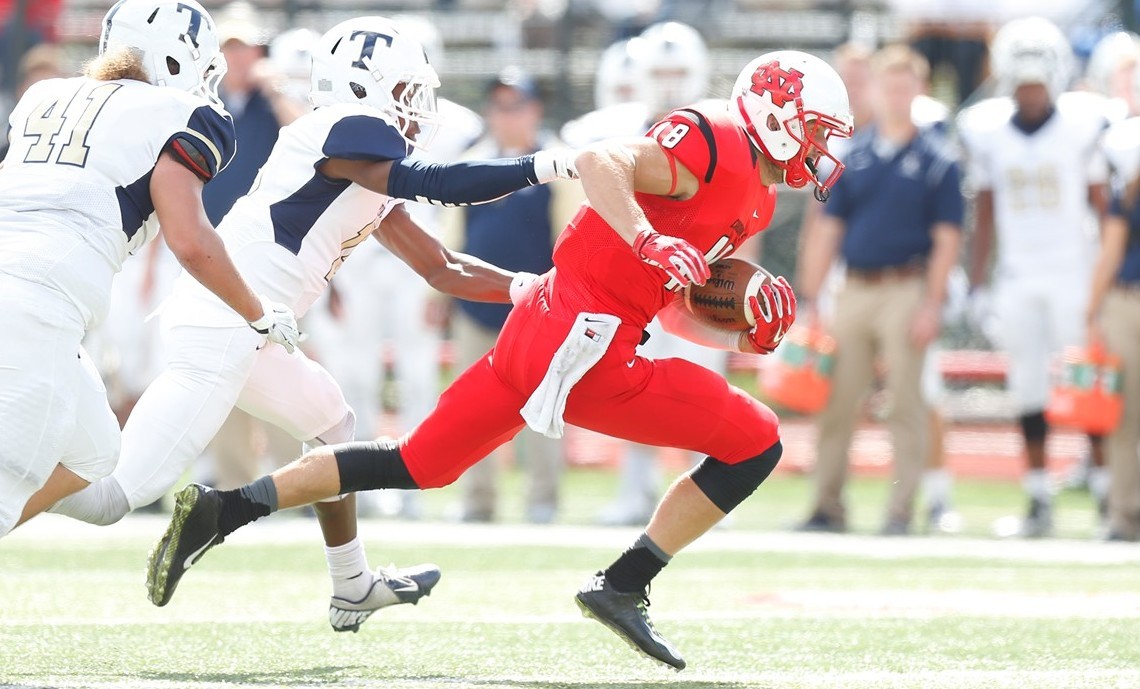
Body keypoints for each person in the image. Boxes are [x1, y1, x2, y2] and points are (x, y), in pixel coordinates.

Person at [147, 50, 854, 670]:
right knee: (757, 440)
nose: (822, 149)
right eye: (819, 130)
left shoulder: (755, 197)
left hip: (551, 328)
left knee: (420, 461)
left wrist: (739, 335)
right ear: (779, 112)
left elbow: (670, 299)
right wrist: (643, 240)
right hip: (587, 342)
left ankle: (224, 508)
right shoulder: (717, 141)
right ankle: (626, 581)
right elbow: (604, 161)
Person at [49, 16, 578, 633]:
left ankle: (351, 584)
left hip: (253, 330)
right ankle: (18, 484)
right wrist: (547, 164)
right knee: (114, 497)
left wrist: (528, 288)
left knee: (333, 426)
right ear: (367, 87)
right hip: (224, 325)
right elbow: (441, 186)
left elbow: (441, 266)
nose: (414, 106)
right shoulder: (348, 130)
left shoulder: (362, 159)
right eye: (405, 89)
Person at [0, 0, 299, 537]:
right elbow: (190, 240)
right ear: (182, 59)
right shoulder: (181, 115)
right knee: (8, 483)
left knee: (97, 456)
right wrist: (257, 312)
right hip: (38, 299)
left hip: (31, 295)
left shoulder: (43, 95)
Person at [795, 45, 964, 536]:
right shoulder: (854, 156)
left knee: (906, 405)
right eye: (886, 85)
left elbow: (946, 240)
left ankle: (899, 511)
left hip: (906, 287)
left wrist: (932, 303)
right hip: (855, 288)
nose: (894, 94)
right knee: (837, 402)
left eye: (903, 85)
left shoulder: (938, 160)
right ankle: (827, 505)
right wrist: (813, 298)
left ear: (919, 91)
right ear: (873, 90)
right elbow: (827, 230)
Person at [959, 17, 1110, 538]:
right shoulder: (988, 130)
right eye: (1021, 83)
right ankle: (1038, 499)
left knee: (1088, 385)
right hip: (1020, 274)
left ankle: (1107, 497)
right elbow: (987, 210)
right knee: (1027, 387)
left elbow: (1100, 204)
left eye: (1036, 83)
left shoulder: (1084, 122)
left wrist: (1104, 278)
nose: (1029, 92)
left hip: (1074, 270)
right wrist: (976, 281)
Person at [445, 68, 581, 524]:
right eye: (500, 106)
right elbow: (453, 232)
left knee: (543, 407)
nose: (507, 115)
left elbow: (570, 236)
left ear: (535, 110)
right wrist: (441, 293)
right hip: (476, 303)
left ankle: (543, 501)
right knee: (473, 408)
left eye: (516, 105)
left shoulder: (556, 164)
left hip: (540, 306)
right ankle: (477, 501)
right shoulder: (473, 159)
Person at [1086, 113, 1140, 542]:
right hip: (1126, 299)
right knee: (1123, 413)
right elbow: (1111, 251)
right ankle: (1124, 513)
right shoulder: (1128, 186)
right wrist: (1094, 310)